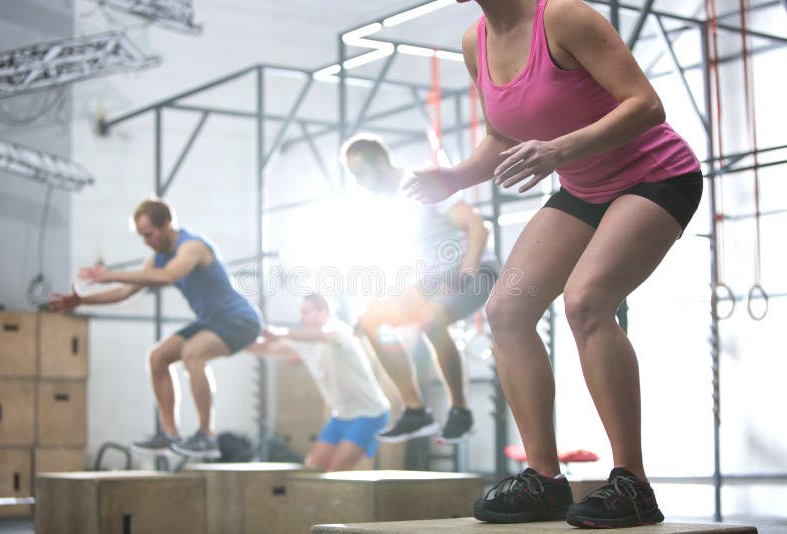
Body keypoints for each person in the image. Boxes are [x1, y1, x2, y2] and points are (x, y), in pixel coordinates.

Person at [403, 0, 703, 527]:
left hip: (656, 174)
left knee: (586, 302)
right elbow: (502, 137)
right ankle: (544, 479)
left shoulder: (563, 17)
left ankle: (632, 483)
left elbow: (646, 106)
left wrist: (560, 150)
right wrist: (455, 177)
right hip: (585, 187)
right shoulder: (476, 42)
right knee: (506, 312)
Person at [48, 199, 263, 459]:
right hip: (210, 320)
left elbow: (167, 277)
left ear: (167, 225)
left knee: (193, 353)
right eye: (142, 236)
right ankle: (169, 433)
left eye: (149, 235)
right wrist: (82, 300)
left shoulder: (192, 247)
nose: (146, 242)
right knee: (158, 357)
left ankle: (206, 436)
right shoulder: (159, 258)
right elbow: (125, 292)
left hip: (239, 318)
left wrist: (112, 274)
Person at [341, 134, 499, 444]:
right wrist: (372, 309)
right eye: (353, 176)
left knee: (432, 318)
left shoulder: (420, 184)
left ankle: (460, 411)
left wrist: (467, 272)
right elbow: (389, 262)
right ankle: (416, 412)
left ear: (381, 163)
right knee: (373, 323)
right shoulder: (382, 206)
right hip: (431, 279)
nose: (358, 183)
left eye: (361, 173)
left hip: (475, 267)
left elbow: (477, 227)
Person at [246, 293, 391, 471]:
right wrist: (232, 338)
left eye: (306, 312)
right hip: (342, 416)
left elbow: (319, 335)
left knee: (336, 473)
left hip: (370, 414)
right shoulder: (303, 344)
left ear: (323, 312)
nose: (301, 317)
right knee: (313, 469)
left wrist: (280, 332)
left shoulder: (340, 332)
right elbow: (263, 348)